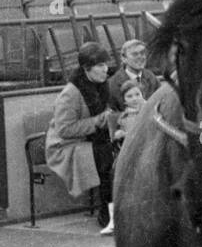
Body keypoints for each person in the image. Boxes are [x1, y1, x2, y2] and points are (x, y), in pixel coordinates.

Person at [44, 42, 116, 234]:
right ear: (86, 68)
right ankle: (106, 213)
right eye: (100, 65)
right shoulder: (71, 93)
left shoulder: (101, 85)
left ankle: (114, 209)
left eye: (105, 64)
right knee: (105, 155)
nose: (105, 69)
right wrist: (97, 121)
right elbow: (64, 129)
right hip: (65, 145)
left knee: (115, 150)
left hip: (88, 139)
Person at [107, 38, 160, 110]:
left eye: (142, 53)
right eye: (135, 54)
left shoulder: (151, 77)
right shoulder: (113, 83)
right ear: (124, 58)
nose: (140, 57)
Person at [111, 80, 145, 145]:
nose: (134, 98)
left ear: (142, 95)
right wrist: (120, 133)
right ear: (124, 100)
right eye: (129, 96)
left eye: (137, 94)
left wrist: (125, 134)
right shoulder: (124, 117)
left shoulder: (148, 110)